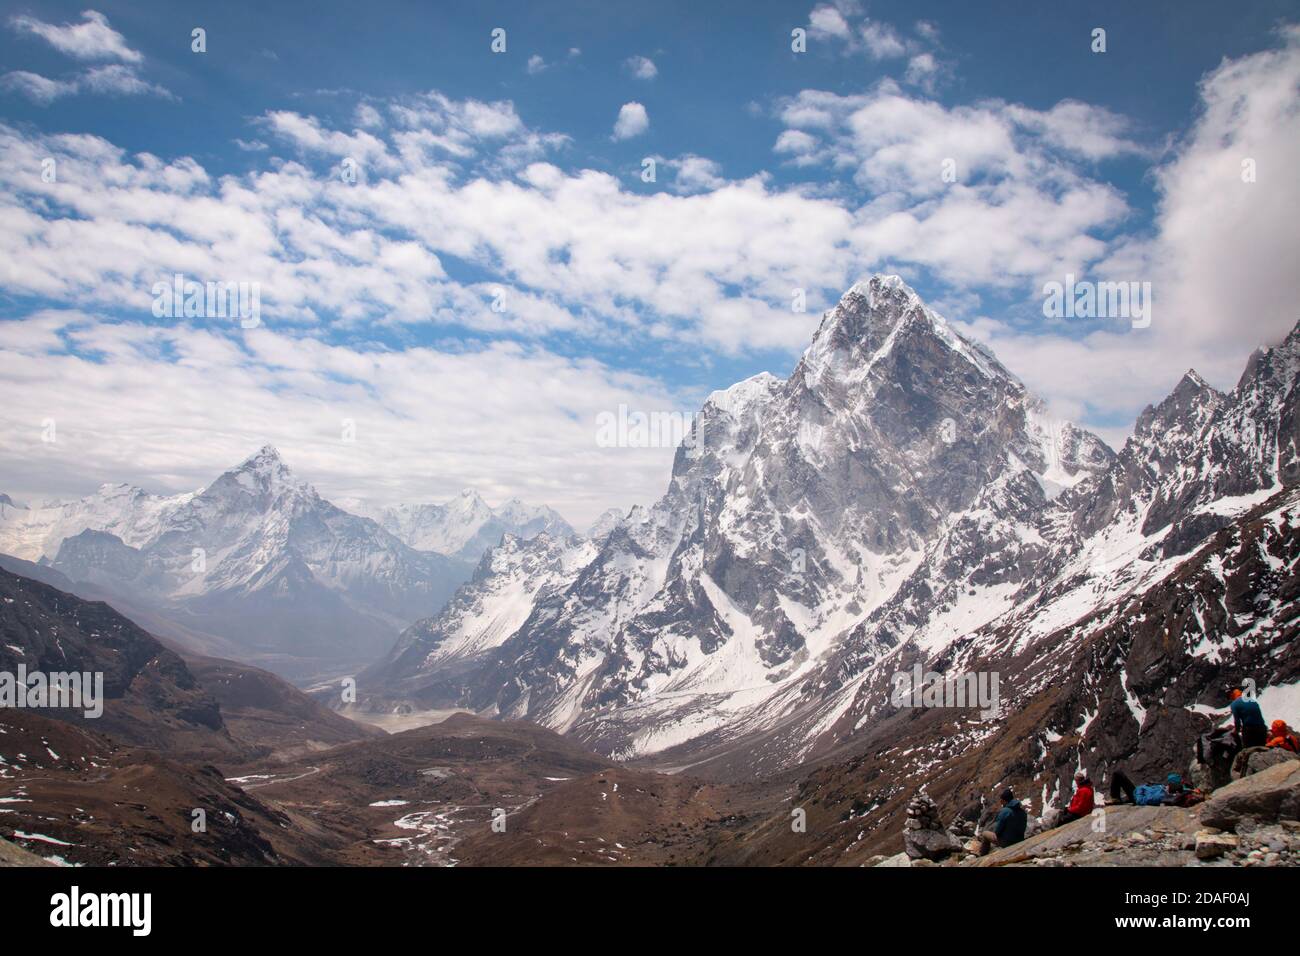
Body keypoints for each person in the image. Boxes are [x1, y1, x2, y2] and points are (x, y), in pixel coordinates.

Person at [976, 788, 1027, 854]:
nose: (1001, 802)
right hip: (1019, 840)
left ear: (1004, 800)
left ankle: (982, 855)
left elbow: (998, 831)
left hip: (1007, 842)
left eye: (1001, 800)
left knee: (985, 834)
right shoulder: (1022, 811)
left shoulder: (1005, 811)